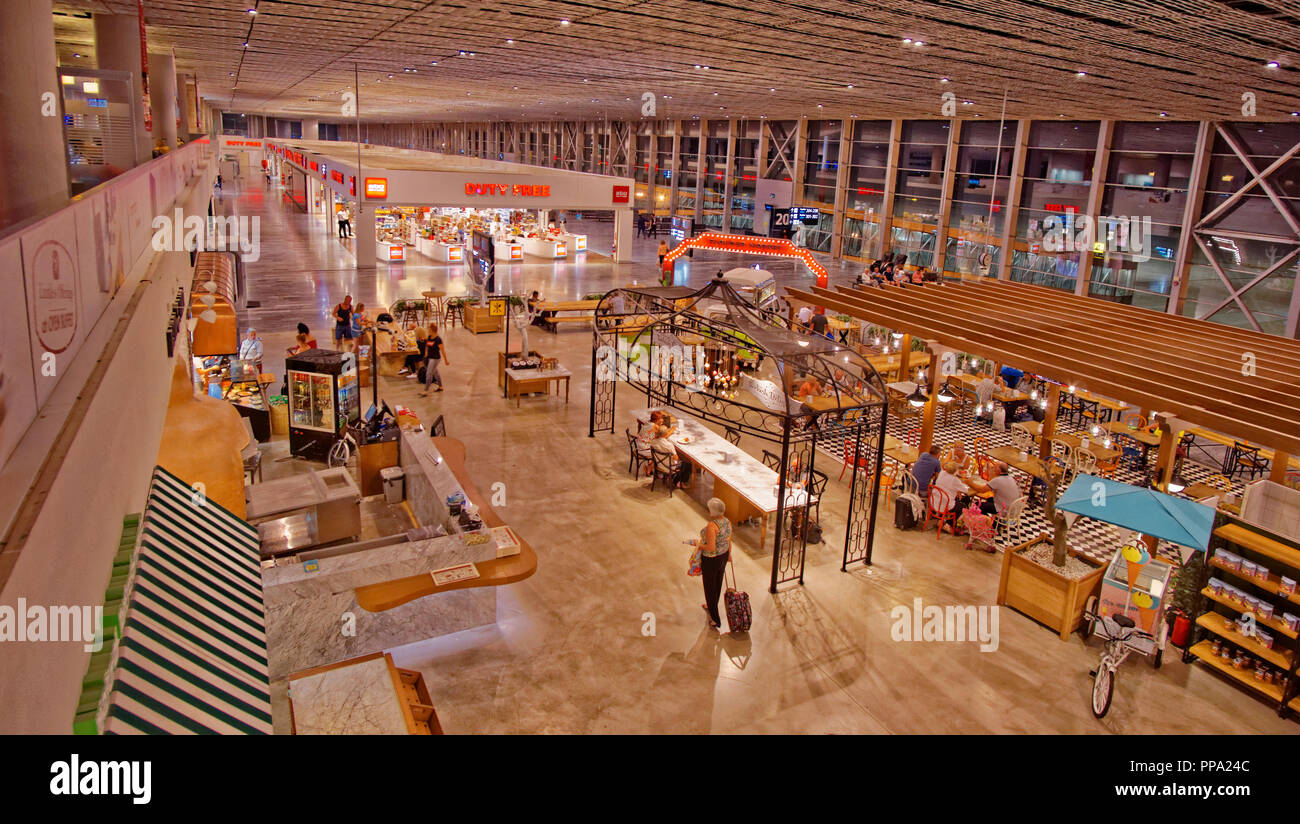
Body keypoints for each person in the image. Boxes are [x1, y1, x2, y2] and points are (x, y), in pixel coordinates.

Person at [691, 497, 733, 630]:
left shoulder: (712, 526)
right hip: (723, 555)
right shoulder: (727, 522)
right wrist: (729, 554)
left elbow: (710, 547)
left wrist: (697, 544)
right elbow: (728, 540)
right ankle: (712, 605)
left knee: (709, 587)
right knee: (718, 582)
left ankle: (715, 618)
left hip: (711, 559)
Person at [419, 323, 448, 396]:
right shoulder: (429, 337)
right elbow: (427, 346)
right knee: (435, 372)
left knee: (429, 373)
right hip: (429, 357)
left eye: (429, 329)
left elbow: (442, 350)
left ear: (432, 330)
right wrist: (426, 354)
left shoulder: (438, 340)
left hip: (435, 359)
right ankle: (440, 386)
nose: (428, 330)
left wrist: (446, 360)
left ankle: (426, 390)